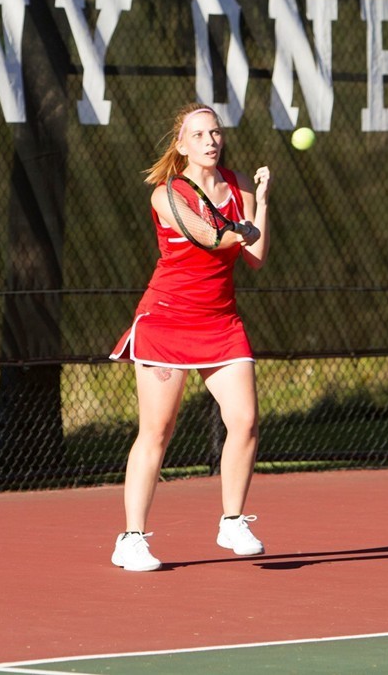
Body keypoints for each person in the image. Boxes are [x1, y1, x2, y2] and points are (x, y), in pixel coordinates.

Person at [108, 103, 272, 571]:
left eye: (215, 132)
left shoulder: (238, 186)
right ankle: (131, 538)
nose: (210, 140)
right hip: (166, 322)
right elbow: (210, 237)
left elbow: (255, 257)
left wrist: (260, 198)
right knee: (157, 431)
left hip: (221, 323)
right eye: (198, 134)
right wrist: (243, 225)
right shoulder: (167, 194)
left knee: (244, 419)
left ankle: (232, 521)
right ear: (181, 146)